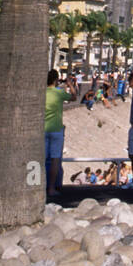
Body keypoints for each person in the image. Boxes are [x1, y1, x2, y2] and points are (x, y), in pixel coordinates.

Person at [45, 69, 76, 198]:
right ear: (56, 80)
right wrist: (69, 85)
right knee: (55, 159)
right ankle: (51, 188)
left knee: (38, 159)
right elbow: (74, 97)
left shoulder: (42, 92)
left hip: (41, 129)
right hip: (56, 128)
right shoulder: (59, 93)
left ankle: (34, 184)